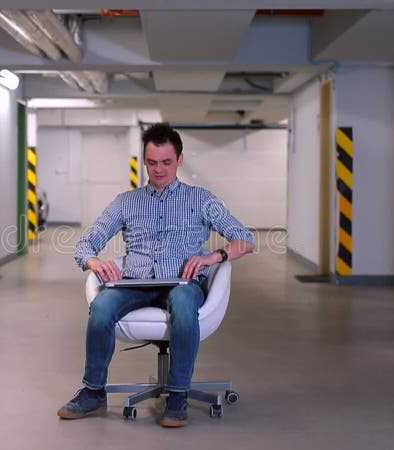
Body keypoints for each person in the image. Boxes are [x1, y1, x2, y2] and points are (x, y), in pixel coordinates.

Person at [57, 123, 255, 427]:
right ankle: (94, 393)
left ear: (179, 160)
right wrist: (92, 260)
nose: (159, 169)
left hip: (182, 283)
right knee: (101, 307)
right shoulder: (126, 202)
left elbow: (245, 238)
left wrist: (214, 256)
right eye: (152, 162)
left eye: (166, 162)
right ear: (144, 160)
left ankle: (178, 395)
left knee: (186, 307)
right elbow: (87, 241)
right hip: (135, 283)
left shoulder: (201, 199)